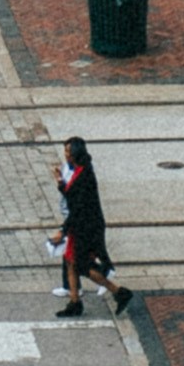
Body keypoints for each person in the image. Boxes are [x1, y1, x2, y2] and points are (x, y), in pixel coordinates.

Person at [55, 136, 119, 318]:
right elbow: (72, 197)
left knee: (81, 266)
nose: (65, 155)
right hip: (80, 225)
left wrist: (63, 231)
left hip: (85, 227)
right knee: (70, 262)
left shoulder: (83, 175)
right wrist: (60, 182)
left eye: (68, 151)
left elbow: (77, 207)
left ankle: (118, 291)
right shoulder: (80, 170)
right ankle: (74, 301)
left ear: (75, 154)